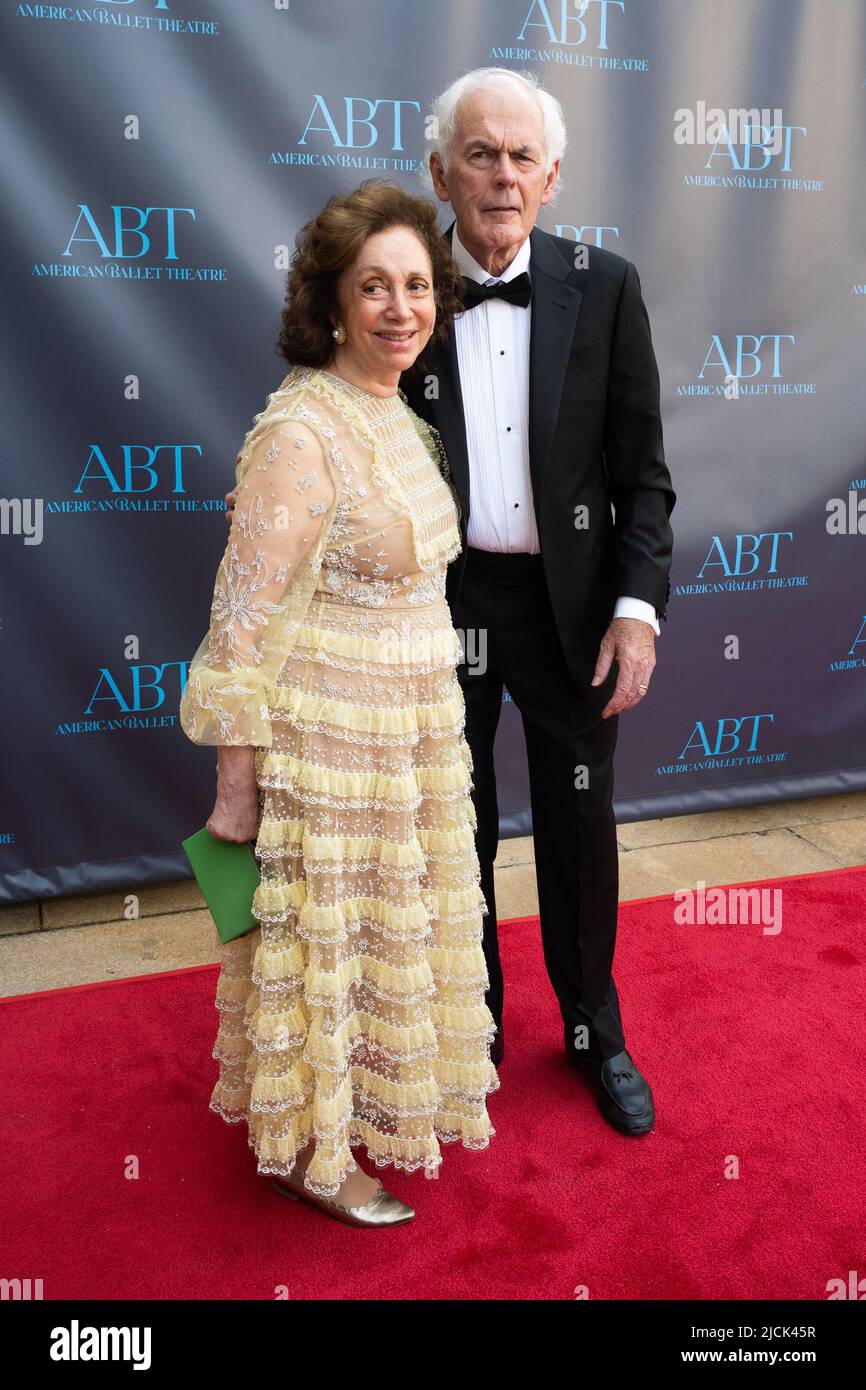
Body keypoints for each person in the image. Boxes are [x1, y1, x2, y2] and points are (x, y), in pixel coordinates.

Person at [180, 180, 499, 1229]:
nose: (401, 307)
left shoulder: (393, 413)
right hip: (326, 733)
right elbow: (237, 624)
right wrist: (237, 791)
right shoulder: (303, 429)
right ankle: (314, 1155)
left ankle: (350, 1110)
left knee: (377, 937)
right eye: (374, 286)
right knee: (326, 942)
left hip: (407, 727)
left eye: (417, 285)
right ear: (330, 300)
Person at [401, 67, 676, 1136]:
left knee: (575, 827)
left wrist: (635, 609)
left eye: (521, 157)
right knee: (451, 828)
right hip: (442, 607)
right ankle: (466, 1032)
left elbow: (640, 473)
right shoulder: (401, 287)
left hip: (569, 610)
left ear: (551, 175)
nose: (501, 175)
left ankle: (591, 1031)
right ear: (440, 171)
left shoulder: (603, 286)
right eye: (479, 153)